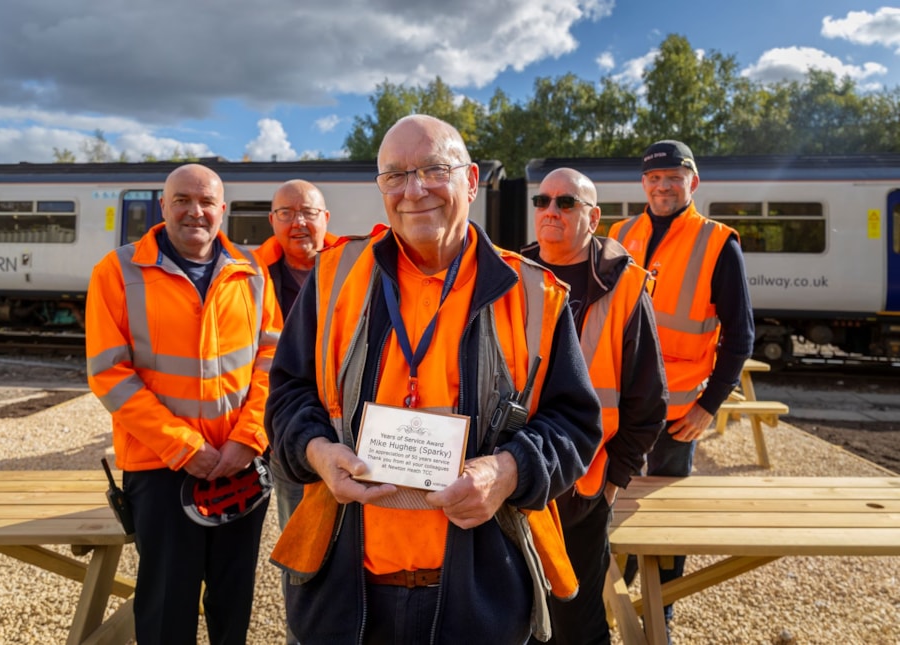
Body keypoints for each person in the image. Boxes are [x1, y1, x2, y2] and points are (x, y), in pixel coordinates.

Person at [265, 114, 603, 645]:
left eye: (433, 170)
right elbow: (287, 395)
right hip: (347, 593)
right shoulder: (334, 277)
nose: (413, 190)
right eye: (395, 176)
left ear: (471, 181)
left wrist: (506, 472)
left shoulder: (534, 294)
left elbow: (575, 425)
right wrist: (317, 453)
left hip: (481, 599)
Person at [85, 163, 281, 645]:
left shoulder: (252, 271)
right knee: (167, 603)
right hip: (161, 468)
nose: (196, 211)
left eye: (206, 201)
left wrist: (249, 438)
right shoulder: (118, 271)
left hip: (240, 465)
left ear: (222, 209)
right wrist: (183, 447)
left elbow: (273, 362)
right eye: (182, 201)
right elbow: (108, 373)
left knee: (233, 598)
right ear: (163, 207)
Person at [608, 141, 754, 638]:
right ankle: (618, 591)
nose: (663, 186)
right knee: (613, 502)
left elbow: (741, 335)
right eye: (654, 178)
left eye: (674, 177)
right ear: (643, 184)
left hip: (678, 412)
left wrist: (709, 406)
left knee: (665, 518)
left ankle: (662, 610)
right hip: (620, 407)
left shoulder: (718, 242)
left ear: (693, 182)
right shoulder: (619, 234)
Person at [521, 167, 668, 644]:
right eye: (543, 201)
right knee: (518, 613)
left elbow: (649, 401)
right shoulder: (511, 274)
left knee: (577, 623)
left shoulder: (625, 287)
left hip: (582, 488)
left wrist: (611, 483)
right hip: (514, 481)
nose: (551, 211)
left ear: (594, 217)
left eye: (566, 203)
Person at [255, 179, 338, 645]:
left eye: (308, 212)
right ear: (272, 221)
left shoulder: (355, 267)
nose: (298, 222)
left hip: (351, 436)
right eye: (286, 213)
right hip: (290, 440)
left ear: (326, 219)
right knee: (300, 550)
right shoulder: (251, 277)